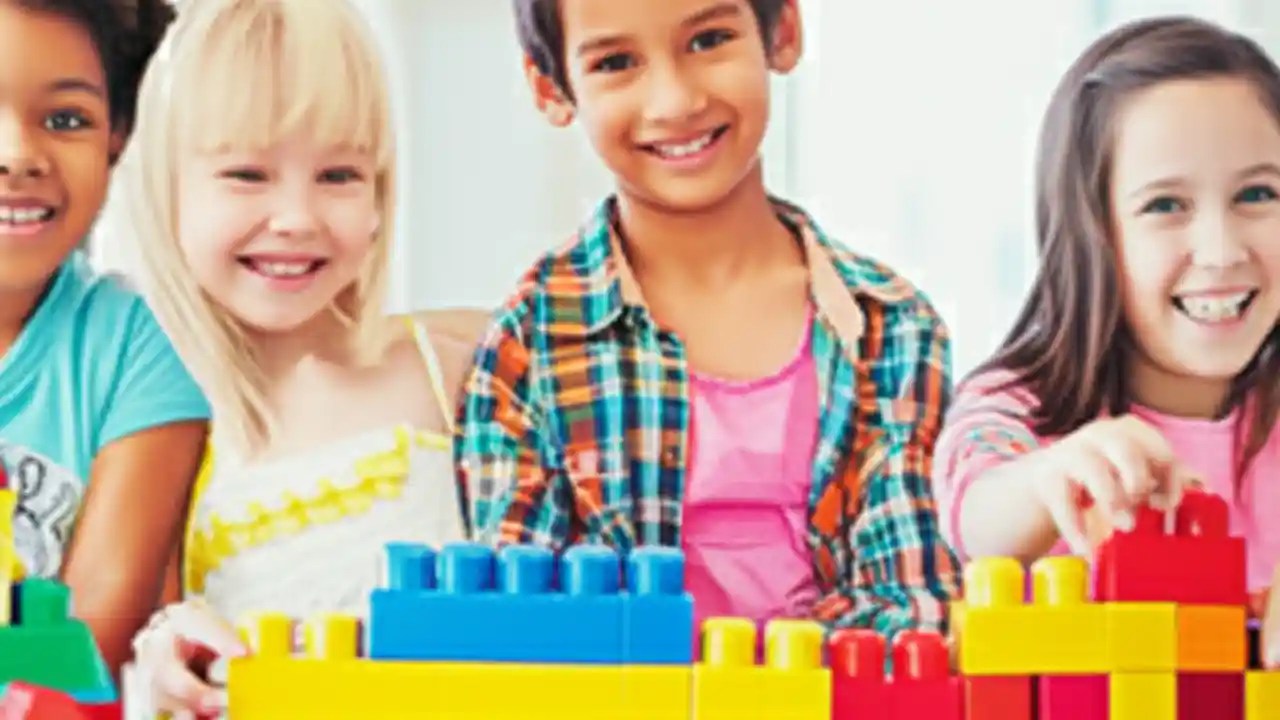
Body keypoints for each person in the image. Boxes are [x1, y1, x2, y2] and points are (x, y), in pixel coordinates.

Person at [458, 0, 960, 650]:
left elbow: (911, 618)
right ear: (551, 88)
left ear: (783, 31)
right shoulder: (529, 343)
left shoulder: (893, 327)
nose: (675, 101)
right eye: (616, 62)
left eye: (708, 40)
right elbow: (524, 632)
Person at [121, 0, 487, 714]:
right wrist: (160, 658)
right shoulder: (154, 426)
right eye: (247, 174)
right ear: (166, 191)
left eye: (339, 175)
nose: (296, 218)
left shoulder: (457, 368)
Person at [931, 16, 1280, 651]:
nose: (1222, 251)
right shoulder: (1021, 408)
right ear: (1091, 235)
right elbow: (977, 517)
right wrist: (1049, 476)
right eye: (1165, 205)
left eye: (1257, 194)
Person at [0, 0, 208, 673]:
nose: (17, 156)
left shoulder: (142, 343)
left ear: (117, 136)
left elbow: (88, 649)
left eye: (66, 119)